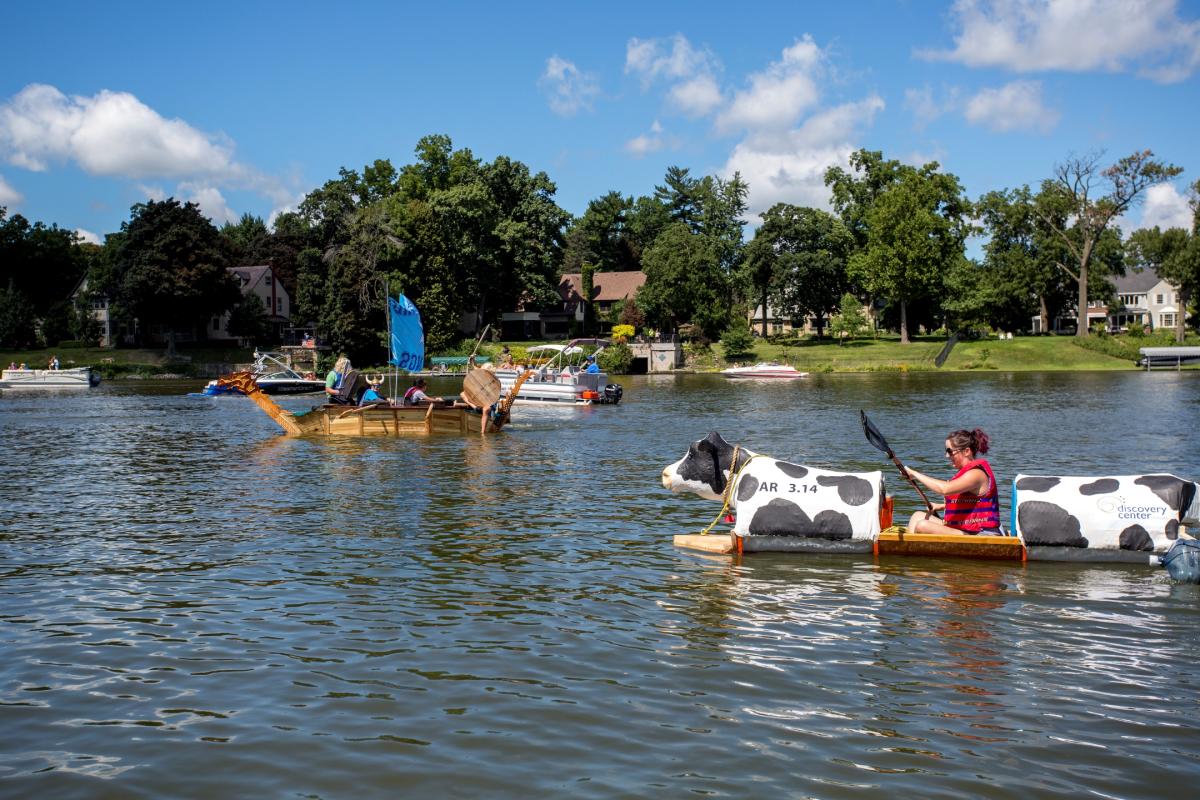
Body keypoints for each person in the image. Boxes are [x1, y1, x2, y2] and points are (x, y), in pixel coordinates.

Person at [903, 428, 1001, 535]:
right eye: (946, 451)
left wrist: (914, 474)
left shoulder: (976, 474)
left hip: (982, 534)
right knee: (917, 516)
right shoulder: (967, 473)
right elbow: (973, 503)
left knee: (922, 525)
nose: (947, 455)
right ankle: (909, 545)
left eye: (950, 451)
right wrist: (941, 506)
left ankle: (914, 544)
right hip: (968, 531)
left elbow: (944, 489)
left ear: (967, 451)